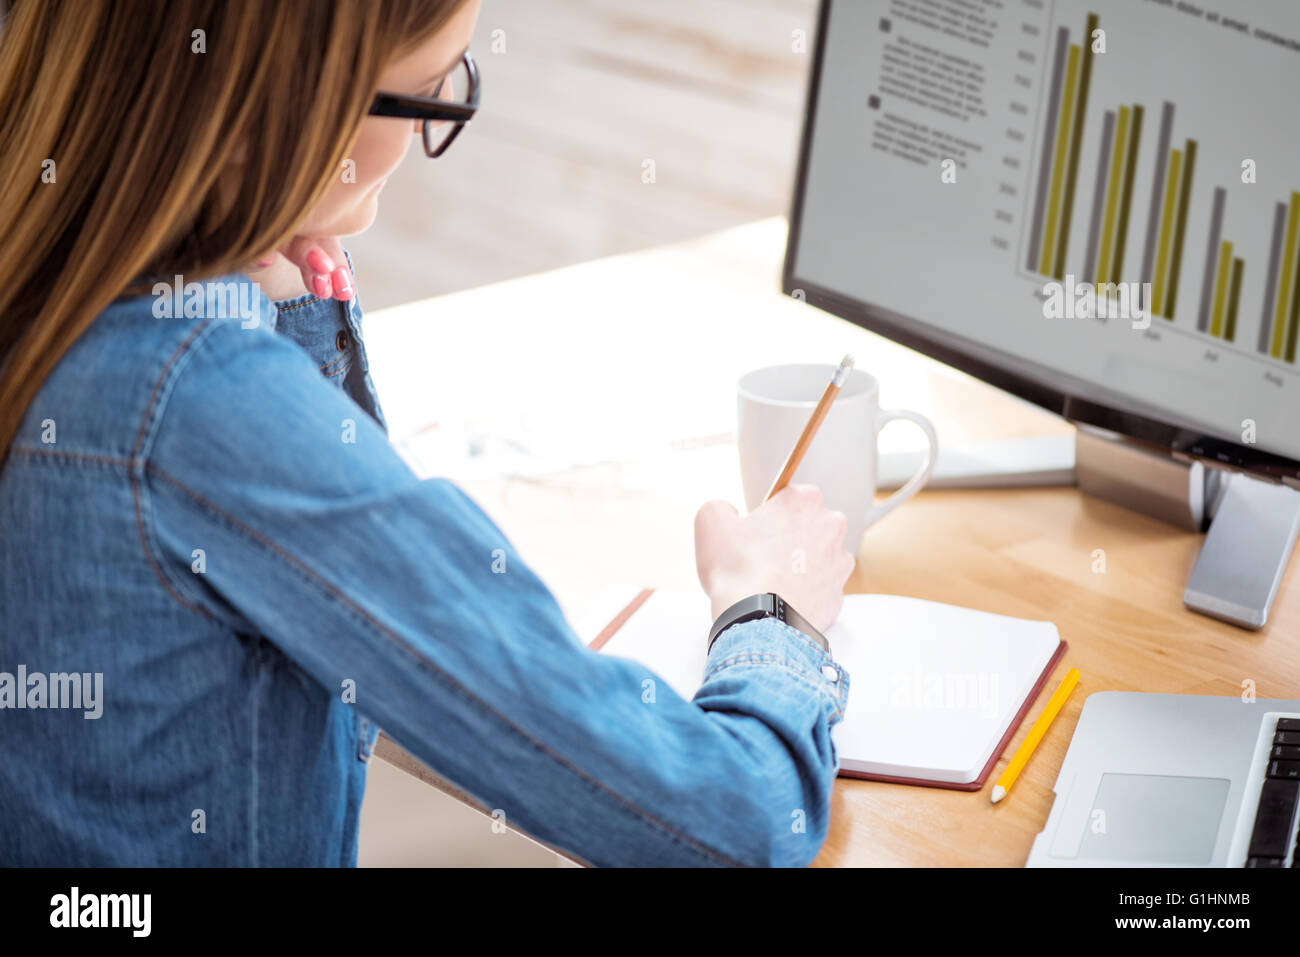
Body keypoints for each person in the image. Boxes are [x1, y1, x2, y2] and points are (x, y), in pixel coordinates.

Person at [0, 0, 855, 867]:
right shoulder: (202, 410)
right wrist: (771, 614)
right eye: (428, 96)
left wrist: (291, 316)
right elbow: (735, 823)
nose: (425, 132)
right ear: (277, 111)